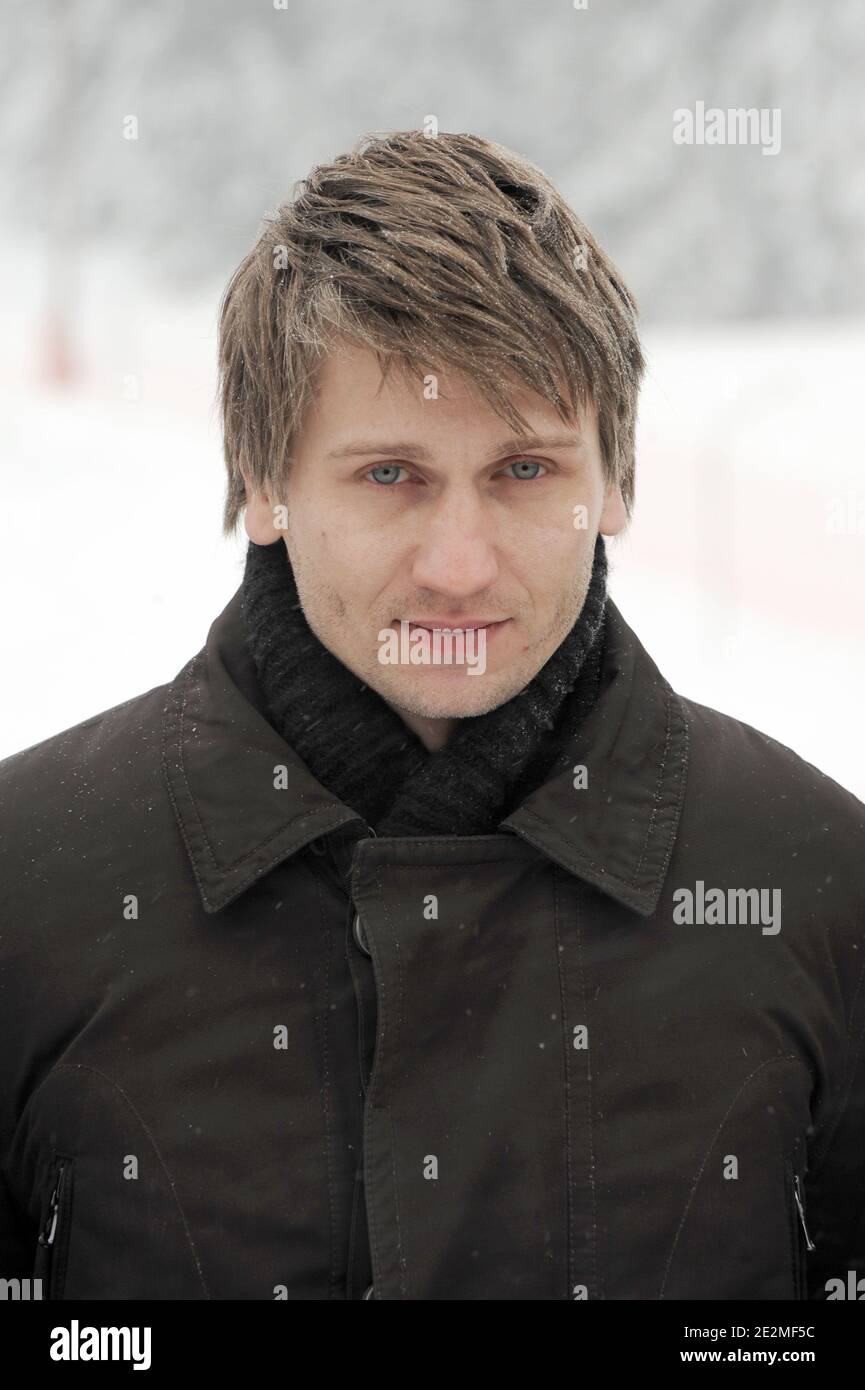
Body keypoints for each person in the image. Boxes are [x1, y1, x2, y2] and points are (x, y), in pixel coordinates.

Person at [0, 130, 862, 1302]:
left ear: (614, 482)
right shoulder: (27, 886)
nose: (459, 567)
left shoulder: (818, 887)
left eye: (522, 472)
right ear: (263, 481)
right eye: (391, 475)